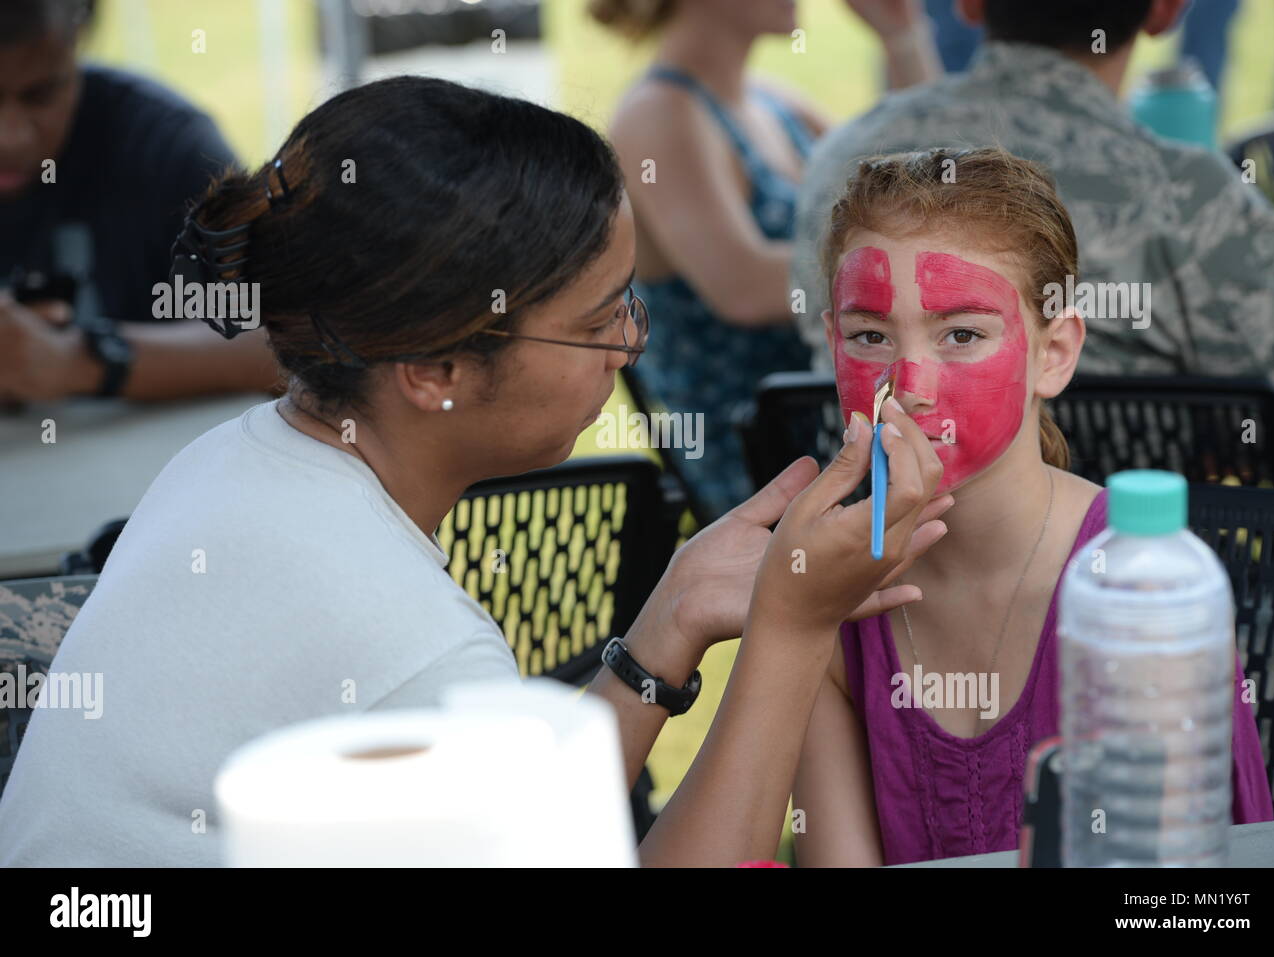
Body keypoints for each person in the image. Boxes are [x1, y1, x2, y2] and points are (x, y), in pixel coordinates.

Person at [0, 76, 953, 867]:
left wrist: (668, 624)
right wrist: (793, 630)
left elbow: (517, 799)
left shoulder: (238, 458)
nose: (629, 346)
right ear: (434, 371)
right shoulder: (406, 634)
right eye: (595, 322)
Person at [791, 148, 1274, 866]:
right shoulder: (832, 594)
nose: (911, 383)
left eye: (962, 334)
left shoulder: (1135, 591)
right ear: (832, 342)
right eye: (870, 336)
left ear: (1055, 354)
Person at [791, 0, 1274, 406]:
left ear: (970, 4)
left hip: (871, 515)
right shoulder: (1185, 191)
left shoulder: (849, 155)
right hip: (1125, 523)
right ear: (1166, 10)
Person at [594, 0, 941, 522]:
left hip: (827, 422)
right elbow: (744, 287)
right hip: (762, 459)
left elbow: (909, 188)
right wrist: (917, 269)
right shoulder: (658, 114)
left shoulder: (771, 102)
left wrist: (902, 37)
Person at [0, 0, 279, 402]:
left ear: (77, 44)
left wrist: (79, 362)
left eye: (40, 96)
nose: (12, 136)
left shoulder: (166, 148)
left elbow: (280, 340)